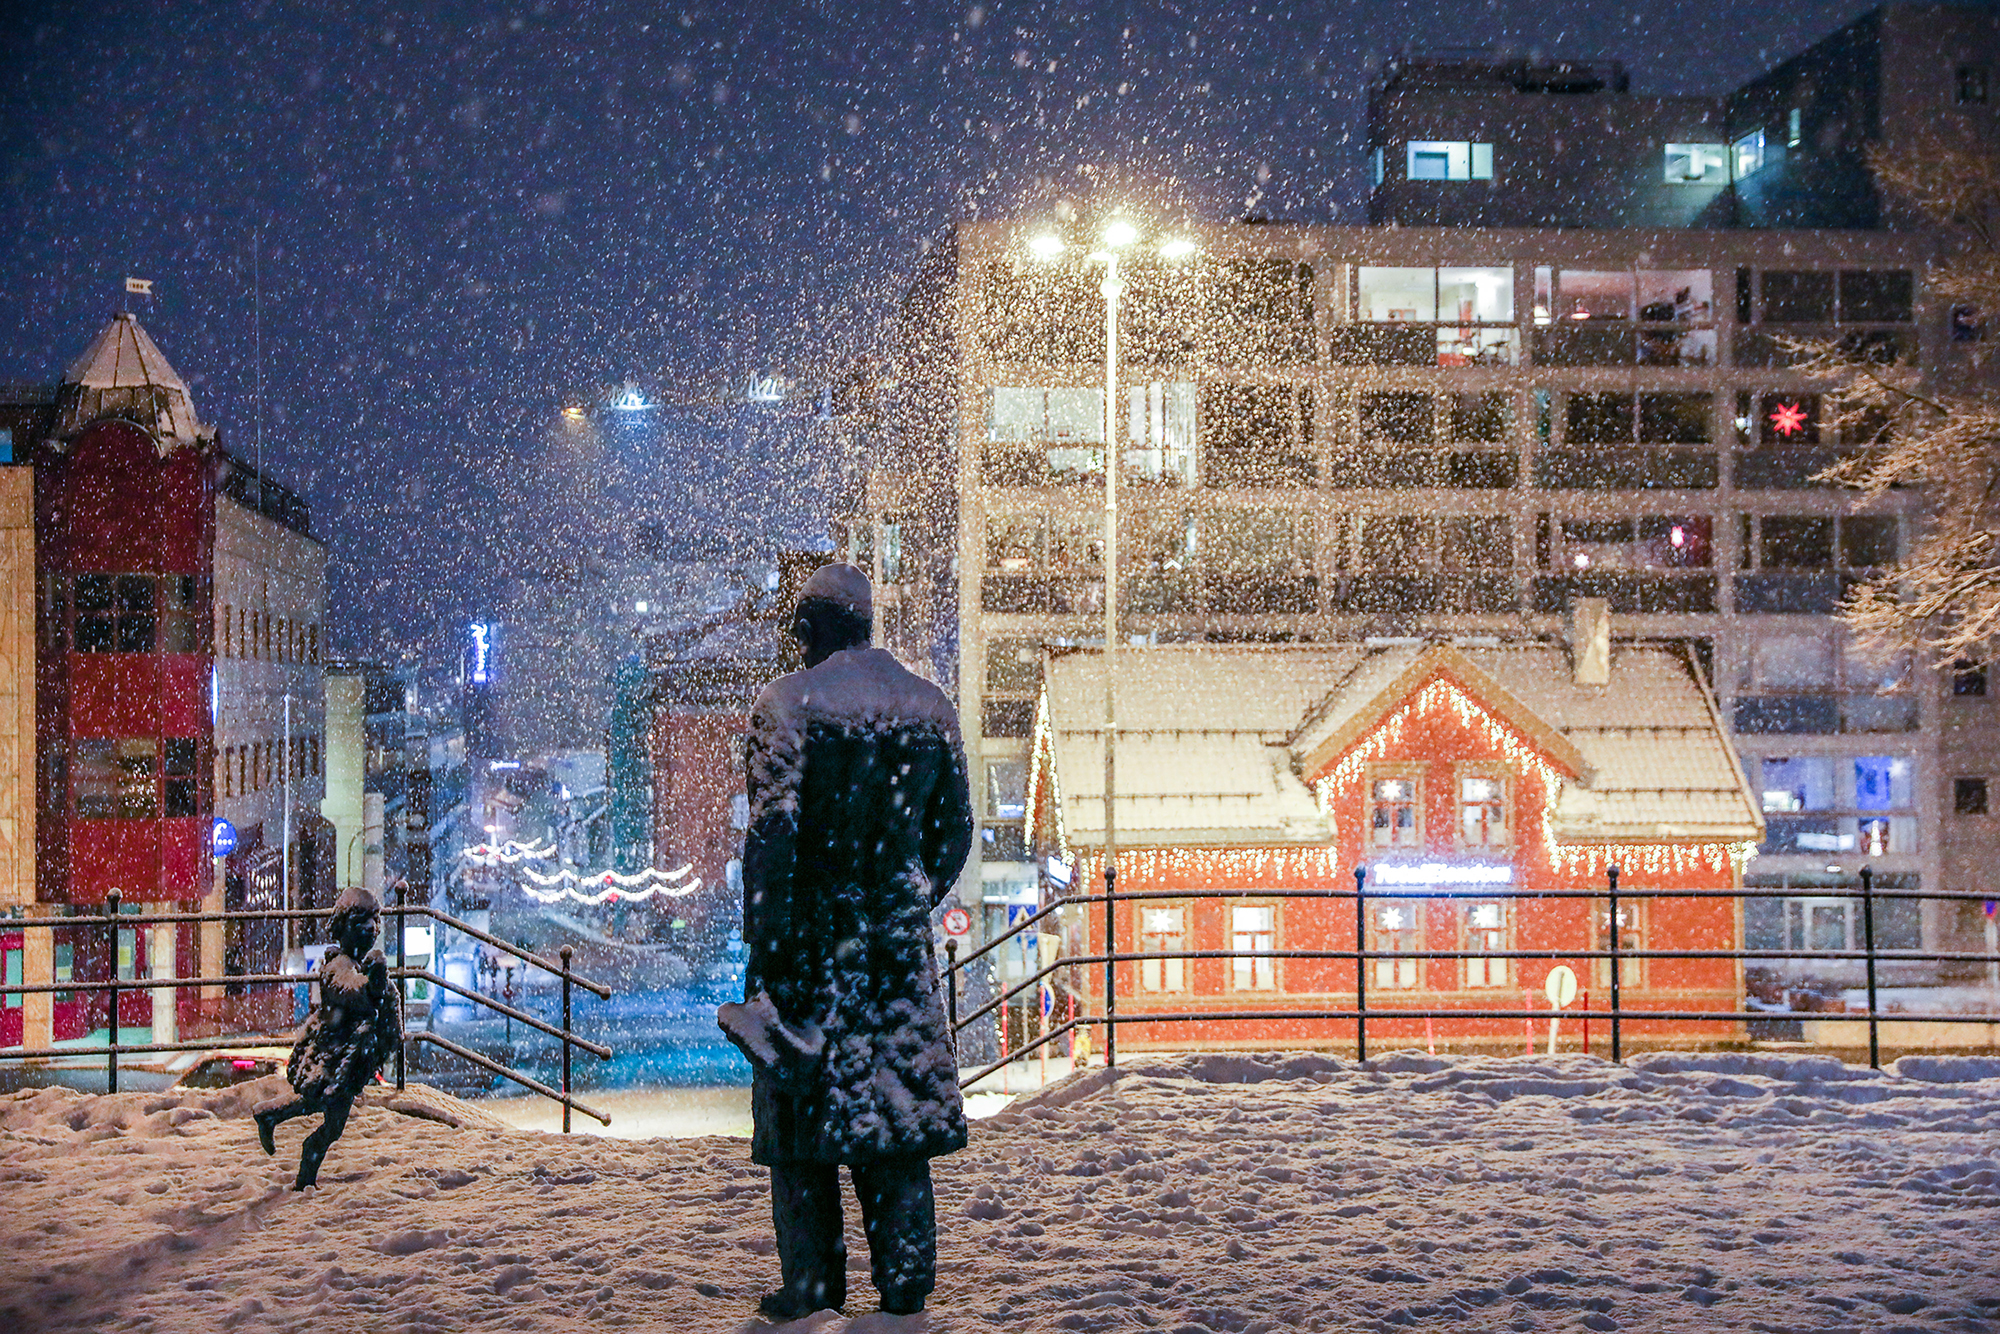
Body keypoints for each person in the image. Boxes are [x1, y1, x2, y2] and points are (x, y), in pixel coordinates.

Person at [733, 563, 974, 1320]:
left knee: (805, 1133)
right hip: (895, 950)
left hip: (809, 944)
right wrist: (906, 899)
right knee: (895, 1123)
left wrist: (768, 942)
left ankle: (812, 1288)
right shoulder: (928, 707)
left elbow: (772, 836)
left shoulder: (789, 707)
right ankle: (905, 1286)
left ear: (814, 629)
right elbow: (956, 831)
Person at [254, 887, 402, 1190]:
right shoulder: (338, 966)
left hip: (346, 1057)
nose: (368, 932)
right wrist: (374, 985)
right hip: (333, 1055)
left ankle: (270, 1117)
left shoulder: (358, 965)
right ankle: (303, 1176)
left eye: (371, 925)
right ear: (343, 929)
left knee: (321, 1109)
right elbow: (351, 991)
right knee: (329, 1117)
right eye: (360, 926)